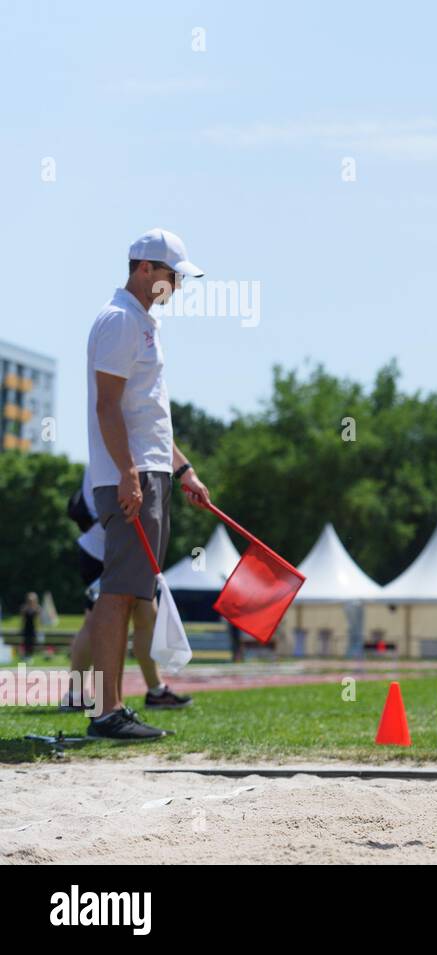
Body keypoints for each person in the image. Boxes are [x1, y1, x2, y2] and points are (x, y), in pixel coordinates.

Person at [84, 228, 212, 740]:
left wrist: (183, 469)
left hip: (152, 472)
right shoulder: (119, 321)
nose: (177, 285)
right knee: (118, 594)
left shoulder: (142, 323)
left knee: (134, 593)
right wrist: (129, 473)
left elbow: (149, 416)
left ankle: (111, 708)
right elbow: (106, 405)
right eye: (172, 275)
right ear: (145, 269)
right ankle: (107, 712)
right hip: (130, 476)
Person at [60, 467, 193, 711]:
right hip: (104, 553)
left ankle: (156, 691)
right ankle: (75, 694)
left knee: (146, 617)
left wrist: (186, 472)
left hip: (125, 549)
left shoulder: (124, 450)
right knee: (95, 621)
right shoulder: (113, 452)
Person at [20, 592, 41, 661]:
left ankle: (30, 655)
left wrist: (38, 629)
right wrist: (21, 628)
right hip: (26, 628)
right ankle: (26, 655)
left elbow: (38, 620)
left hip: (33, 629)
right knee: (26, 642)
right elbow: (22, 620)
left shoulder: (37, 609)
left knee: (32, 642)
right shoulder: (24, 608)